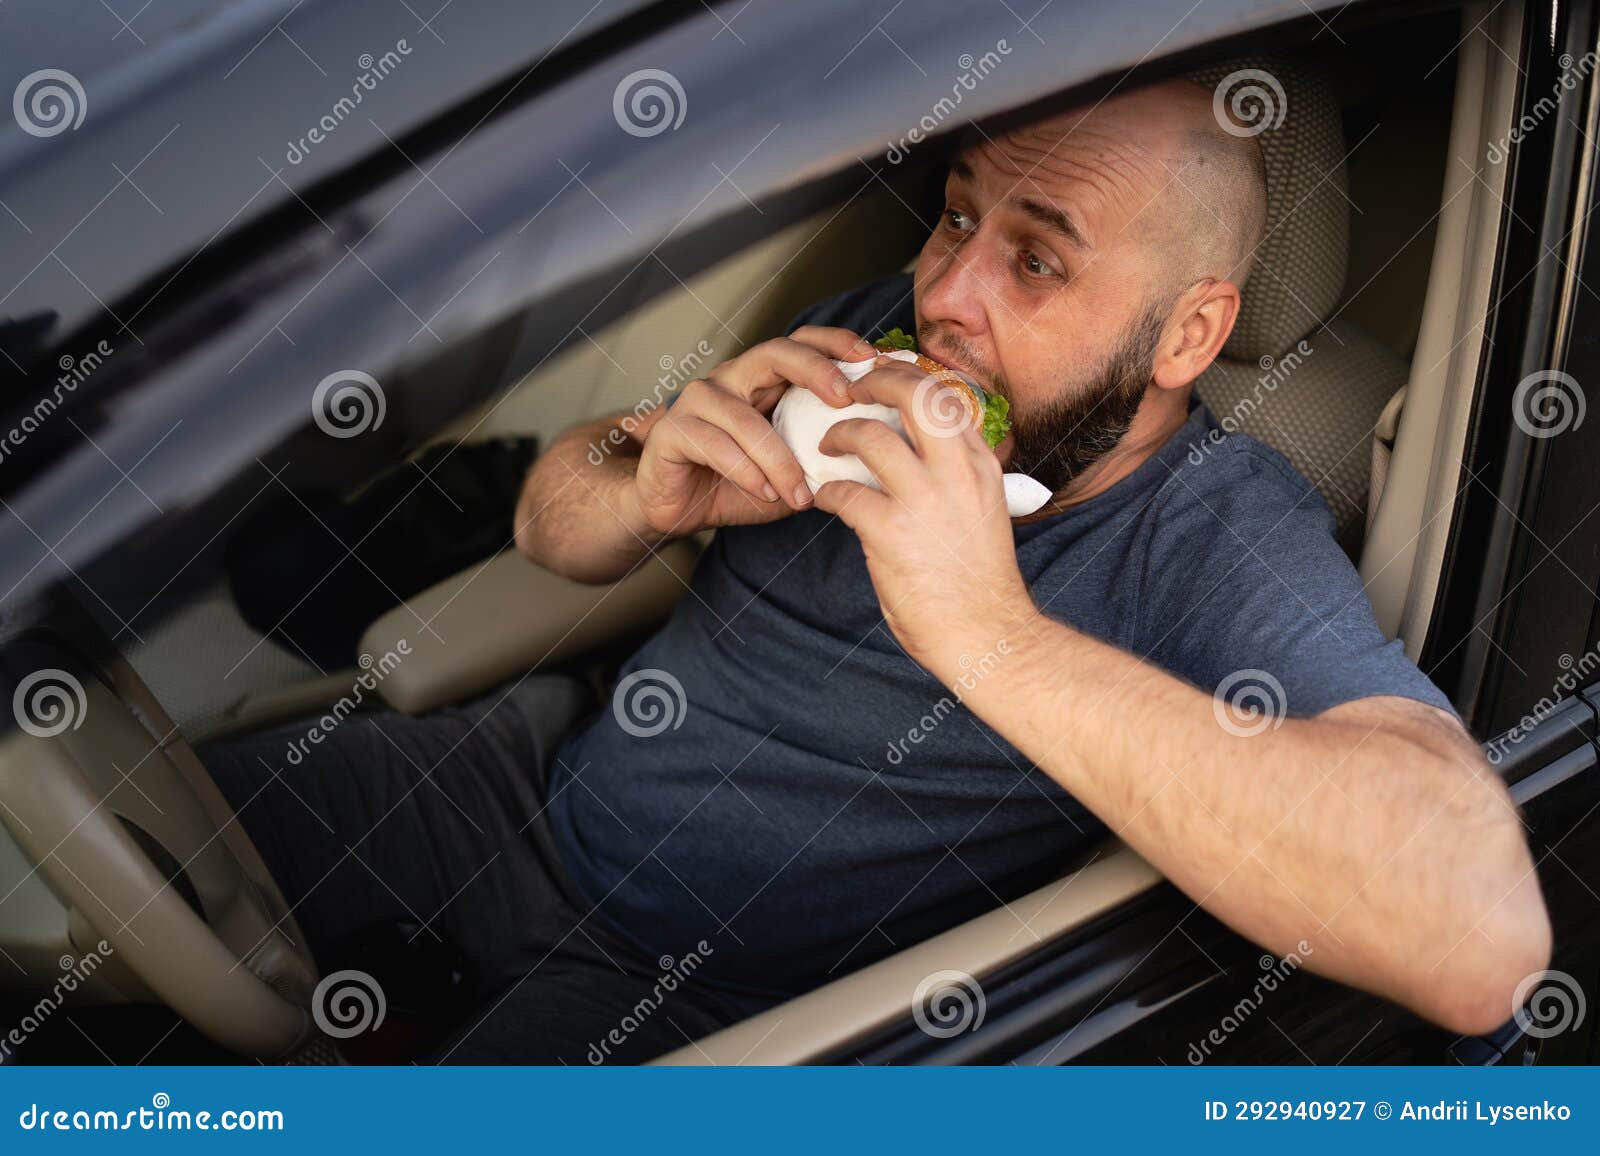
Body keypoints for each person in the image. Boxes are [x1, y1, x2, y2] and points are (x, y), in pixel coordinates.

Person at [202, 79, 1549, 1063]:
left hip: (702, 995)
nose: (947, 292)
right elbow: (552, 527)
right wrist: (641, 476)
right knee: (118, 858)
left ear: (1189, 334)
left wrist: (989, 631)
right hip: (519, 783)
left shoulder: (1215, 535)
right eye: (957, 216)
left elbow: (1480, 933)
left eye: (1036, 258)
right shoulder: (862, 338)